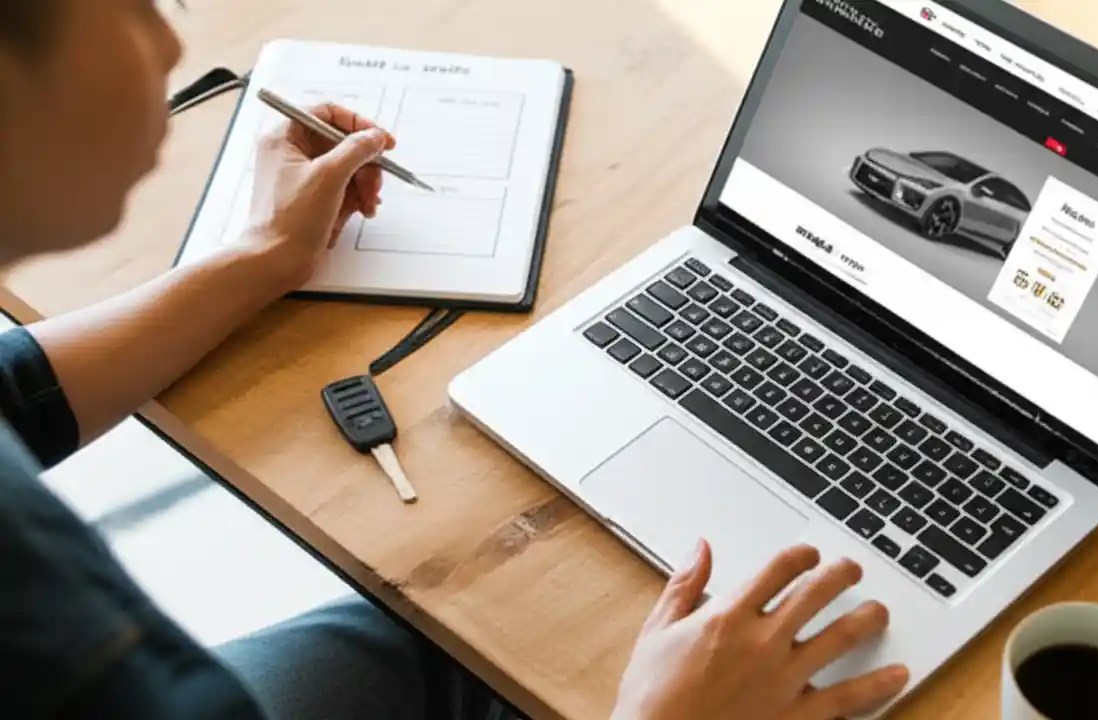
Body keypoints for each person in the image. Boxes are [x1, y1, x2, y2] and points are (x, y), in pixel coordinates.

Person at [0, 1, 909, 718]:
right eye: (134, 3)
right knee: (531, 659)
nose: (167, 44)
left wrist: (258, 260)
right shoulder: (70, 643)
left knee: (446, 636)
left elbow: (13, 397)